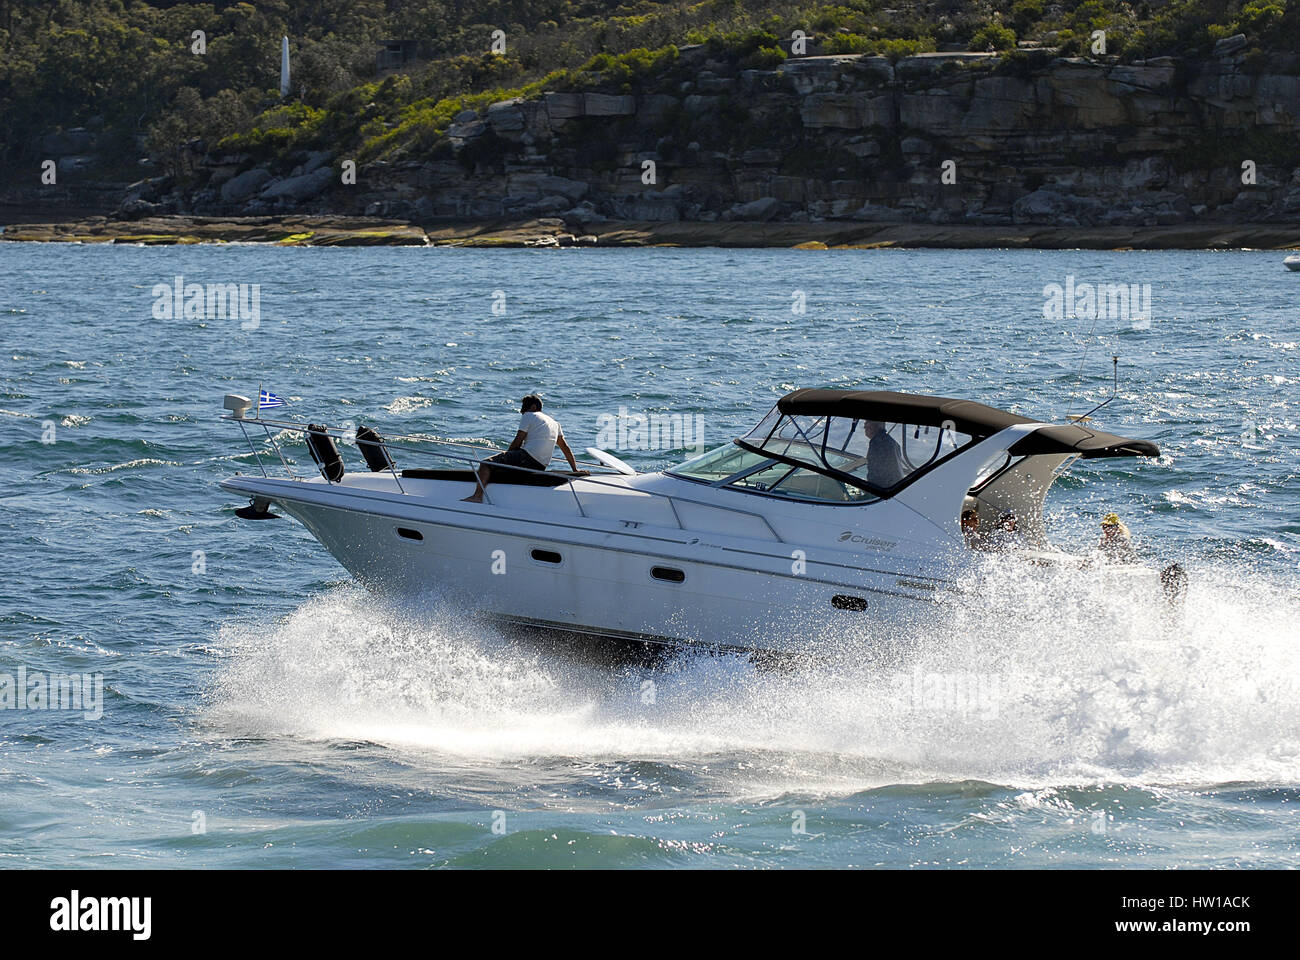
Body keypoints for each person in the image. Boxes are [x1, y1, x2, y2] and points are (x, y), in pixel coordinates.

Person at [462, 394, 581, 503]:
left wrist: (507, 456)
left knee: (486, 464)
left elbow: (518, 440)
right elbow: (565, 447)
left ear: (533, 407)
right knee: (503, 466)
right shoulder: (555, 423)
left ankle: (477, 496)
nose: (521, 411)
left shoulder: (529, 415)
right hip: (541, 465)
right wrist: (575, 469)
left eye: (524, 407)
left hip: (527, 457)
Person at [861, 420, 904, 489]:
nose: (865, 428)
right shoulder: (892, 442)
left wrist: (868, 488)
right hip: (896, 485)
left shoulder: (877, 443)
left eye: (866, 426)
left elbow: (875, 471)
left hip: (885, 488)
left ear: (874, 427)